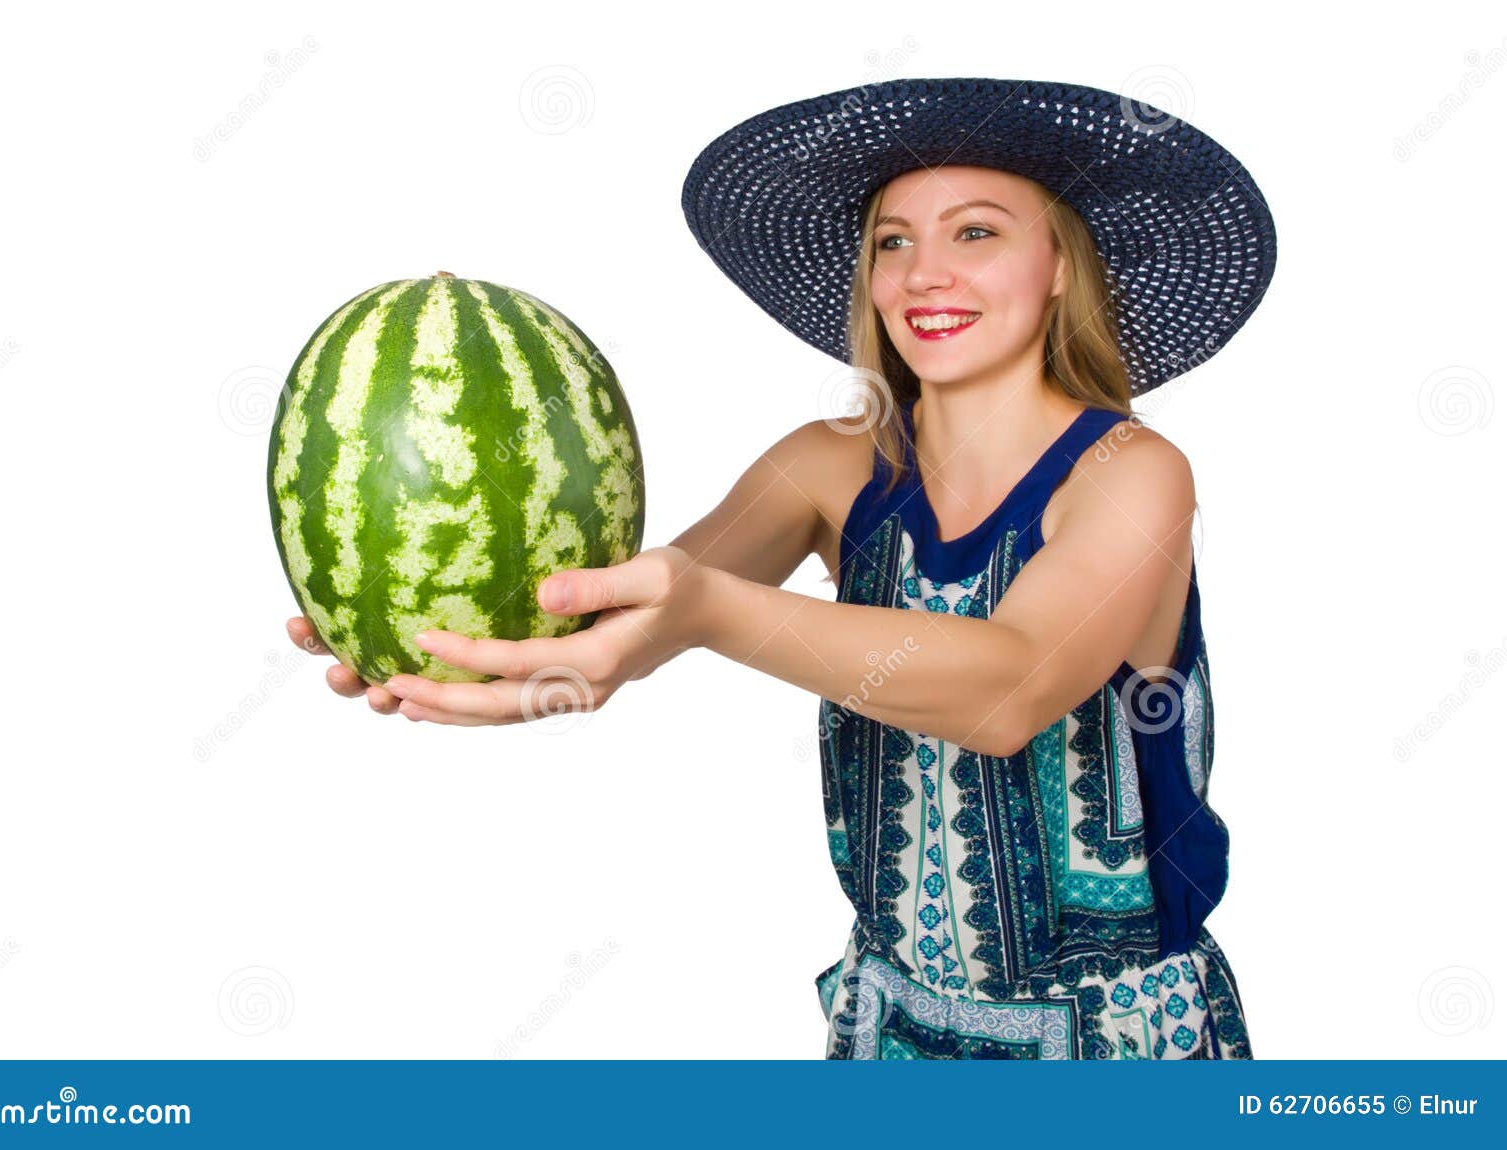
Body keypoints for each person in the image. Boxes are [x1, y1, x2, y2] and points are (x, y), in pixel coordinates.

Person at [285, 78, 1276, 1059]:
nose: (923, 275)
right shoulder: (829, 467)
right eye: (893, 242)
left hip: (1117, 1040)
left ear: (1061, 264)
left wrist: (707, 611)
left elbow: (1009, 688)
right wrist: (461, 642)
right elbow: (622, 619)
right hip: (886, 1027)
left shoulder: (1131, 473)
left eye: (975, 232)